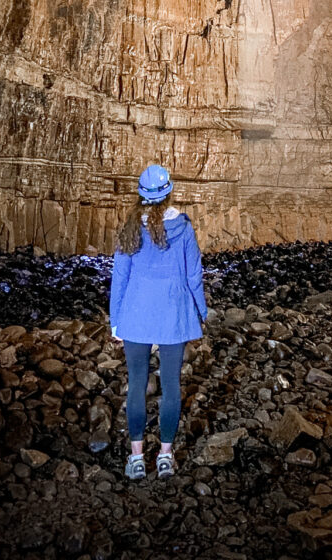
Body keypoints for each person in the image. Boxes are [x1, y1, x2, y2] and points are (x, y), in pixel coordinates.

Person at [109, 164, 207, 479]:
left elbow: (119, 276)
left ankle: (137, 459)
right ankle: (165, 456)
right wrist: (201, 312)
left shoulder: (129, 227)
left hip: (136, 314)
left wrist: (116, 320)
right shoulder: (183, 227)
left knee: (137, 384)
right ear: (168, 193)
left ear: (141, 194)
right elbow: (194, 275)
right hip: (173, 315)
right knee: (171, 386)